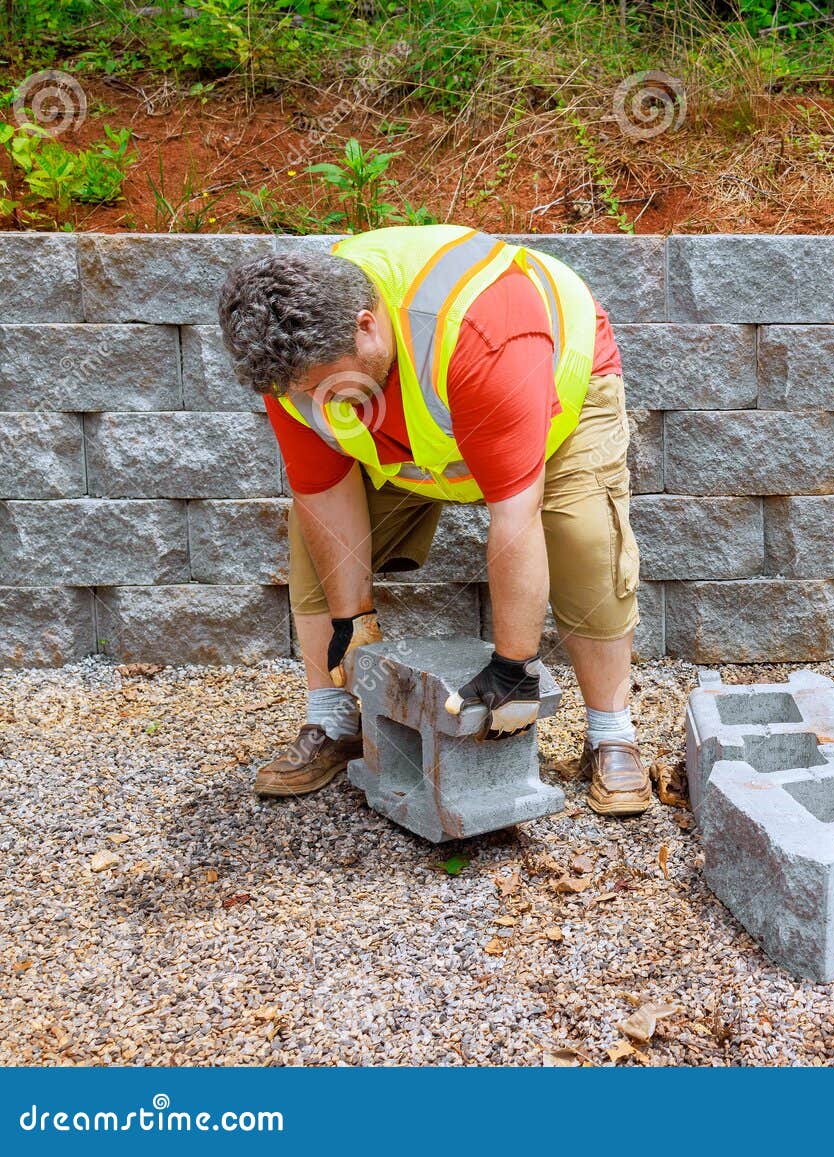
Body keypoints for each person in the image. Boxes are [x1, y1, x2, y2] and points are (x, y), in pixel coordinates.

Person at [215, 224, 651, 816]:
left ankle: (610, 733)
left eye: (323, 387)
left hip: (553, 402)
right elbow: (324, 492)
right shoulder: (293, 361)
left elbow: (514, 513)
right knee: (310, 549)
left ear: (366, 326)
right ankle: (335, 720)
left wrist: (514, 666)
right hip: (413, 440)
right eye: (299, 394)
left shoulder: (481, 335)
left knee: (584, 540)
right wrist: (352, 620)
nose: (314, 405)